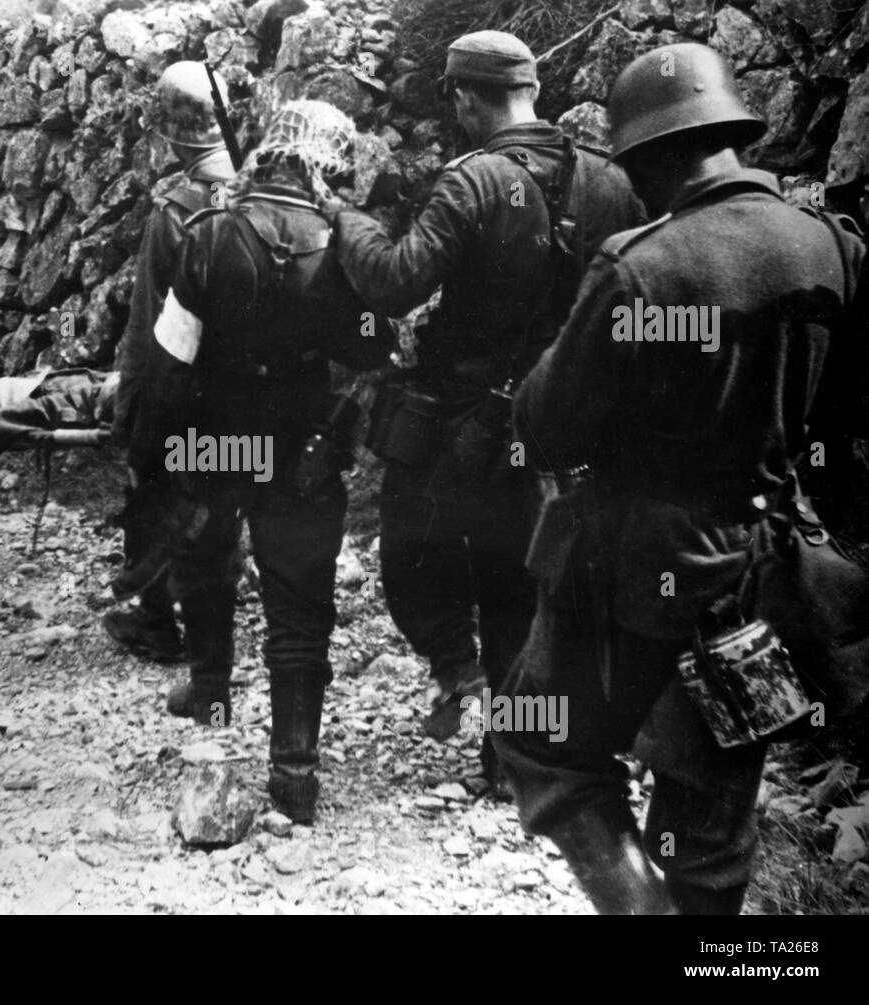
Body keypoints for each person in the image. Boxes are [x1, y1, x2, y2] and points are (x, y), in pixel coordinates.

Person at [495, 43, 864, 914]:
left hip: (627, 575)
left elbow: (545, 425)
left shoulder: (642, 268)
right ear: (730, 131)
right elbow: (846, 424)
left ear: (651, 156)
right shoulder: (829, 246)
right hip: (764, 574)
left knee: (541, 741)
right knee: (708, 821)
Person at [328, 31, 645, 790]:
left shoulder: (470, 181)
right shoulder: (610, 182)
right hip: (553, 428)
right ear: (530, 89)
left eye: (457, 102)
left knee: (409, 556)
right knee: (516, 589)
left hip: (454, 423)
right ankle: (510, 763)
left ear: (468, 98)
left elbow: (395, 281)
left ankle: (454, 667)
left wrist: (345, 218)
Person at [132, 100, 395, 823]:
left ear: (270, 151)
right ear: (328, 163)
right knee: (301, 607)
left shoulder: (209, 232)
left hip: (217, 443)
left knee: (205, 559)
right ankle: (296, 772)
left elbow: (170, 357)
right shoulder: (341, 244)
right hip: (303, 450)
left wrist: (154, 450)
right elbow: (373, 345)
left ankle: (210, 688)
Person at [104, 61, 239, 664]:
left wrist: (138, 426)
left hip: (184, 394)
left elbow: (151, 333)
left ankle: (153, 620)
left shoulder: (178, 212)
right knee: (220, 500)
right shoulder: (264, 194)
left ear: (168, 134)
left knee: (157, 496)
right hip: (253, 398)